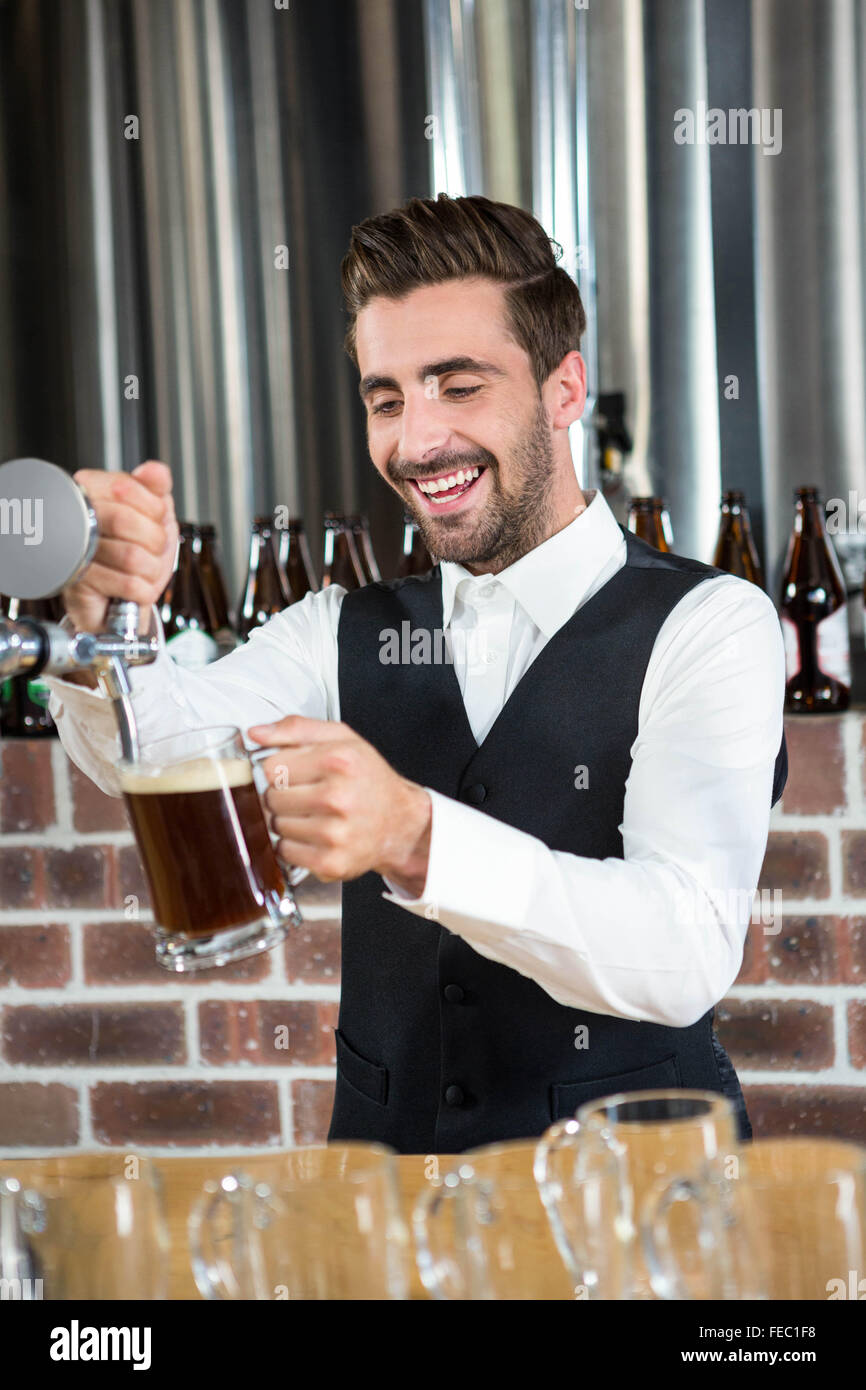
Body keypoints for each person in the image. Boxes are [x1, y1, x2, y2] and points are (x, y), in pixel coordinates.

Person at [48, 193, 786, 1153]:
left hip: (643, 1212)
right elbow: (151, 746)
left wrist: (415, 833)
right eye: (386, 398)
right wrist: (113, 624)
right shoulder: (334, 631)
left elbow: (684, 947)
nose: (417, 441)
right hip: (387, 1203)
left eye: (459, 384)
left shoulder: (712, 624)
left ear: (565, 390)